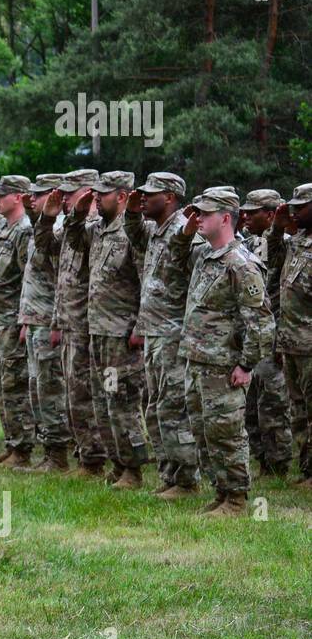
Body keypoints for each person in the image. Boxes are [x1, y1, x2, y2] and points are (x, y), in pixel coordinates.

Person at [175, 187, 275, 516]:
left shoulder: (241, 264)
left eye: (205, 214)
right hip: (199, 360)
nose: (197, 218)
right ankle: (220, 492)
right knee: (205, 431)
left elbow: (261, 323)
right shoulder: (206, 255)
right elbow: (174, 257)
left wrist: (246, 365)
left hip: (223, 364)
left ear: (226, 218)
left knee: (227, 432)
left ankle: (236, 498)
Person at [66, 172, 149, 487]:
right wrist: (77, 211)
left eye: (103, 194)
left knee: (122, 402)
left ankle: (134, 469)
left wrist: (140, 326)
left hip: (121, 335)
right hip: (97, 331)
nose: (97, 198)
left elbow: (147, 282)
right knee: (102, 403)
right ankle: (117, 463)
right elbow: (73, 239)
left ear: (123, 196)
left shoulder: (134, 233)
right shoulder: (97, 231)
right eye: (95, 194)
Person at [124, 173, 198, 496]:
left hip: (174, 335)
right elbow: (135, 235)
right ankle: (170, 475)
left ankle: (187, 479)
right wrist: (130, 211)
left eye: (150, 194)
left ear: (169, 197)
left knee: (173, 406)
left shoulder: (186, 232)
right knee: (154, 406)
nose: (143, 198)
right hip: (154, 333)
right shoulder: (156, 231)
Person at [36, 169, 109, 476]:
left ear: (89, 193)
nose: (62, 197)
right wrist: (47, 218)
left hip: (89, 324)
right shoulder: (71, 228)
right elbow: (46, 249)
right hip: (69, 322)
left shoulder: (94, 229)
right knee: (73, 394)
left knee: (89, 394)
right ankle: (84, 454)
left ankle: (94, 459)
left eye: (69, 192)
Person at [17, 175, 72, 472]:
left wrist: (54, 321)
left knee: (51, 387)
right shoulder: (40, 229)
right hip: (36, 319)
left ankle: (59, 453)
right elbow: (33, 279)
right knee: (37, 387)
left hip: (51, 319)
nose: (31, 199)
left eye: (38, 195)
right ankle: (49, 450)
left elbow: (60, 282)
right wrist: (27, 318)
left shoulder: (60, 228)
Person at [0, 176, 35, 467]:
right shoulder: (3, 226)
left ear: (19, 197)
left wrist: (25, 319)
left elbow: (29, 277)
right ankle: (13, 445)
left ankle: (23, 448)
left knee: (15, 385)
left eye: (3, 195)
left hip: (13, 320)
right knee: (3, 385)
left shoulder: (25, 232)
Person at [237, 190, 293, 479]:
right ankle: (262, 459)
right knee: (250, 405)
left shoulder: (285, 245)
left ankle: (278, 463)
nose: (245, 215)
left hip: (275, 335)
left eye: (252, 211)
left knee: (272, 403)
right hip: (251, 337)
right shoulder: (244, 245)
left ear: (271, 215)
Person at [276, 182, 312, 487]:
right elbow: (270, 257)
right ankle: (307, 470)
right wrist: (277, 228)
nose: (294, 211)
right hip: (291, 343)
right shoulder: (297, 241)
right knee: (298, 412)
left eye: (300, 206)